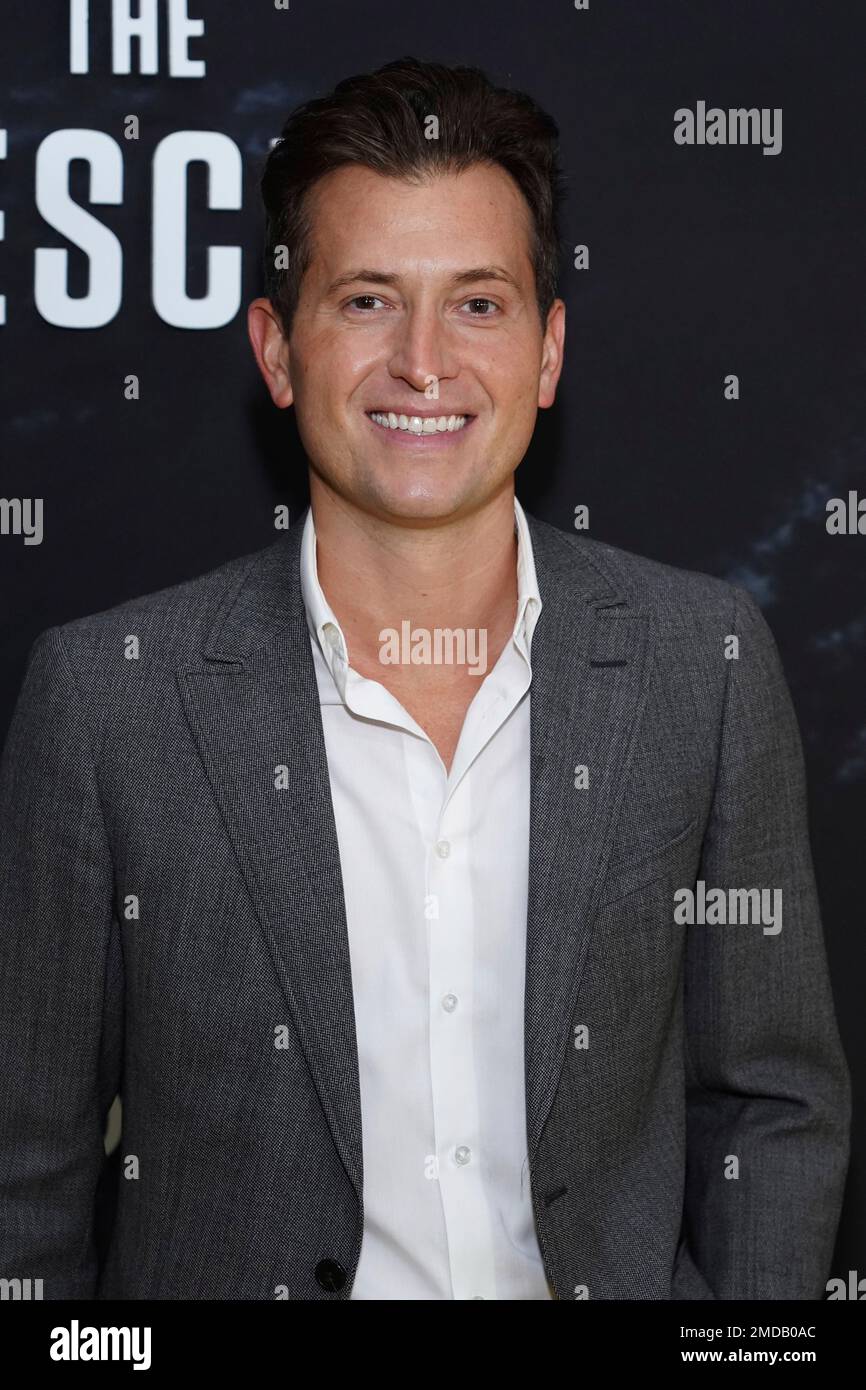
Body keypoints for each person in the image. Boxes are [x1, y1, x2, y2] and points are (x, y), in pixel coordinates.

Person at [0, 56, 850, 1301]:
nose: (421, 363)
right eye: (362, 301)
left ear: (548, 351)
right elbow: (28, 1182)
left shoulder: (701, 663)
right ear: (276, 350)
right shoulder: (105, 700)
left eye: (477, 304)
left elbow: (772, 1105)